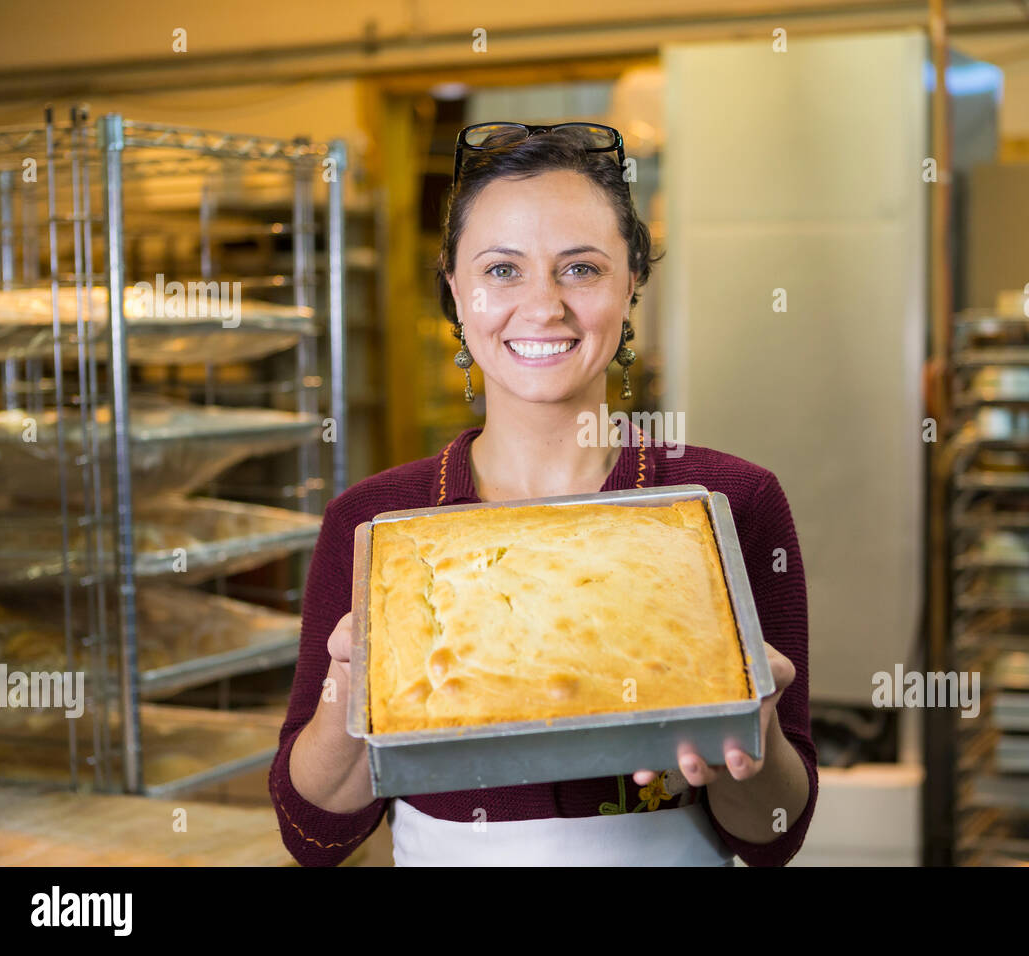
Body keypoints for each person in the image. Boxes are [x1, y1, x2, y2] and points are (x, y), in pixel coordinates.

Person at [269, 122, 817, 866]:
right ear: (456, 290)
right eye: (502, 270)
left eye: (581, 269)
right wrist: (348, 686)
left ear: (632, 286)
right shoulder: (375, 528)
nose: (543, 306)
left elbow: (775, 834)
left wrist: (755, 732)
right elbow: (314, 834)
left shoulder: (728, 503)